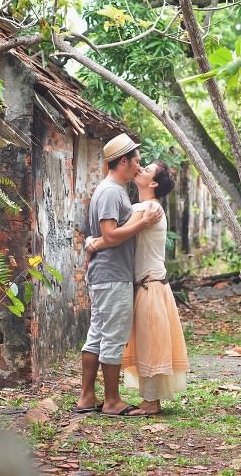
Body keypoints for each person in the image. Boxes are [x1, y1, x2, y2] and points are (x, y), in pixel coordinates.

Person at [86, 161, 189, 416]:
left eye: (146, 170)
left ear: (153, 183)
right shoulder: (140, 207)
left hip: (149, 284)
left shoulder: (148, 208)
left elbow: (116, 235)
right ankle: (150, 399)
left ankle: (151, 402)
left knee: (150, 341)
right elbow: (119, 230)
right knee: (148, 340)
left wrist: (92, 244)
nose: (139, 169)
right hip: (148, 283)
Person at [76, 134, 163, 417]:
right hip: (113, 275)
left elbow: (103, 237)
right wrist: (143, 223)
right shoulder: (112, 191)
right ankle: (111, 400)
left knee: (97, 335)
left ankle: (87, 397)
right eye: (137, 161)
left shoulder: (111, 190)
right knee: (112, 337)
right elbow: (110, 234)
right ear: (123, 161)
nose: (139, 166)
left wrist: (95, 242)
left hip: (106, 273)